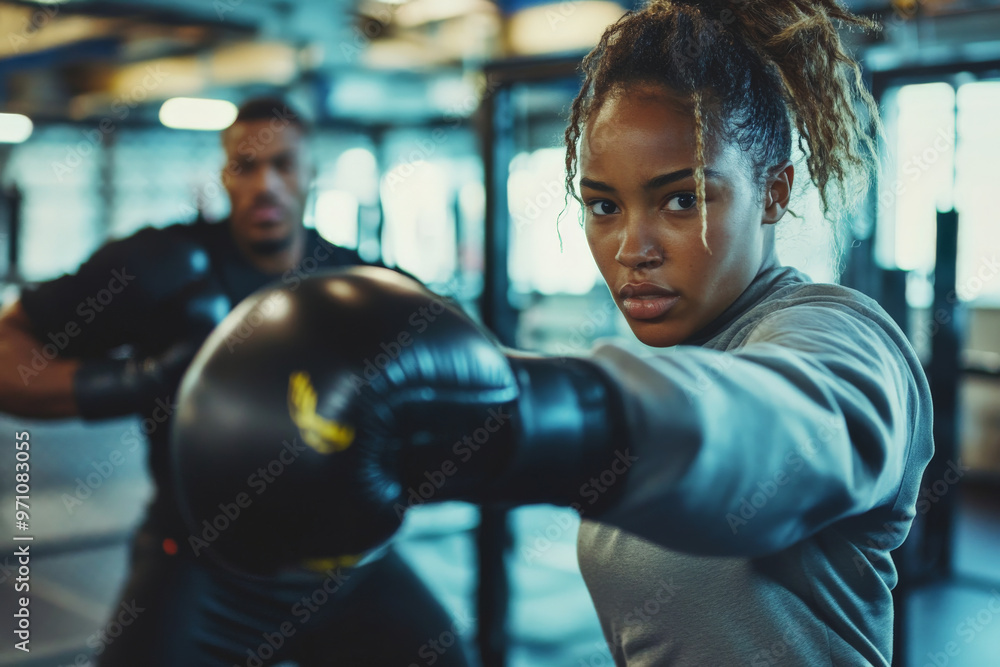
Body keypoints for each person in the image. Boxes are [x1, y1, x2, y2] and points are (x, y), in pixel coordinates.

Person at [172, 2, 933, 666]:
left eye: (680, 199)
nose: (633, 246)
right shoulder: (669, 359)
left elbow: (776, 430)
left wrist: (530, 419)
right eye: (604, 206)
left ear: (774, 191)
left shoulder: (844, 338)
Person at [0, 97, 471, 666]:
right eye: (245, 167)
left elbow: (475, 385)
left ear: (310, 172)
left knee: (444, 656)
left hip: (345, 565)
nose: (265, 185)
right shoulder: (159, 267)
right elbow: (11, 348)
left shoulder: (363, 285)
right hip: (203, 561)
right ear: (224, 176)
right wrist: (140, 380)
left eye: (283, 165)